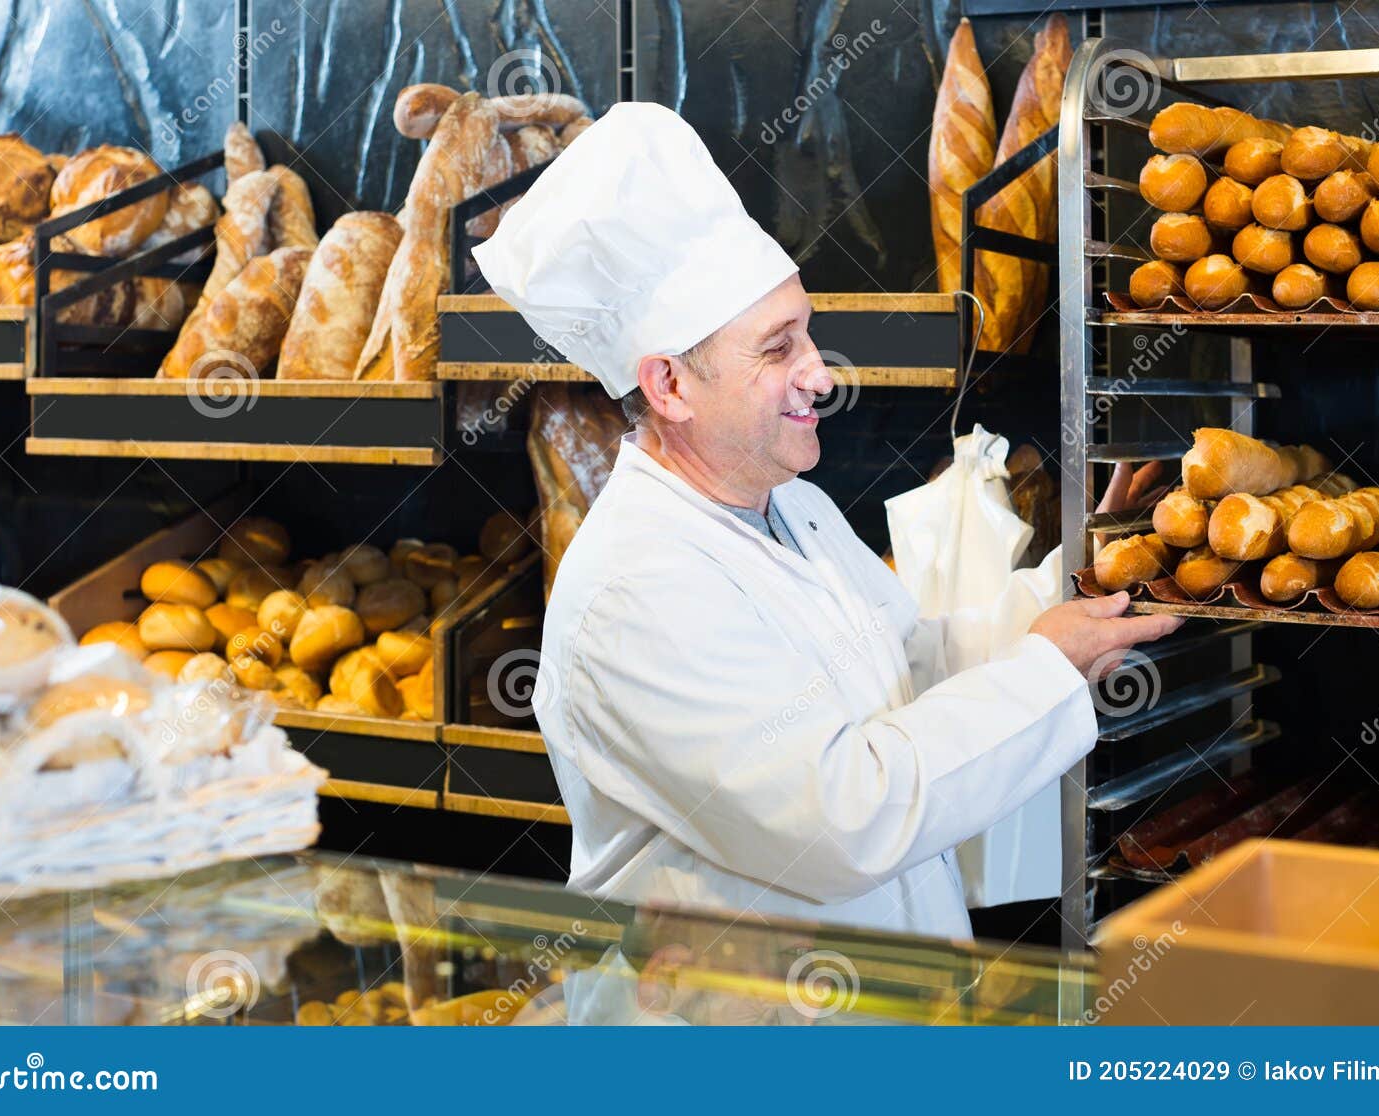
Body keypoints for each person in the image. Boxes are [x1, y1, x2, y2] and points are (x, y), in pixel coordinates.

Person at [473, 102, 1179, 942]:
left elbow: (910, 668)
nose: (820, 374)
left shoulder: (788, 505)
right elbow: (844, 821)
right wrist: (1050, 669)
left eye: (807, 334)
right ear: (668, 386)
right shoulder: (637, 593)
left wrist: (1077, 578)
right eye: (778, 350)